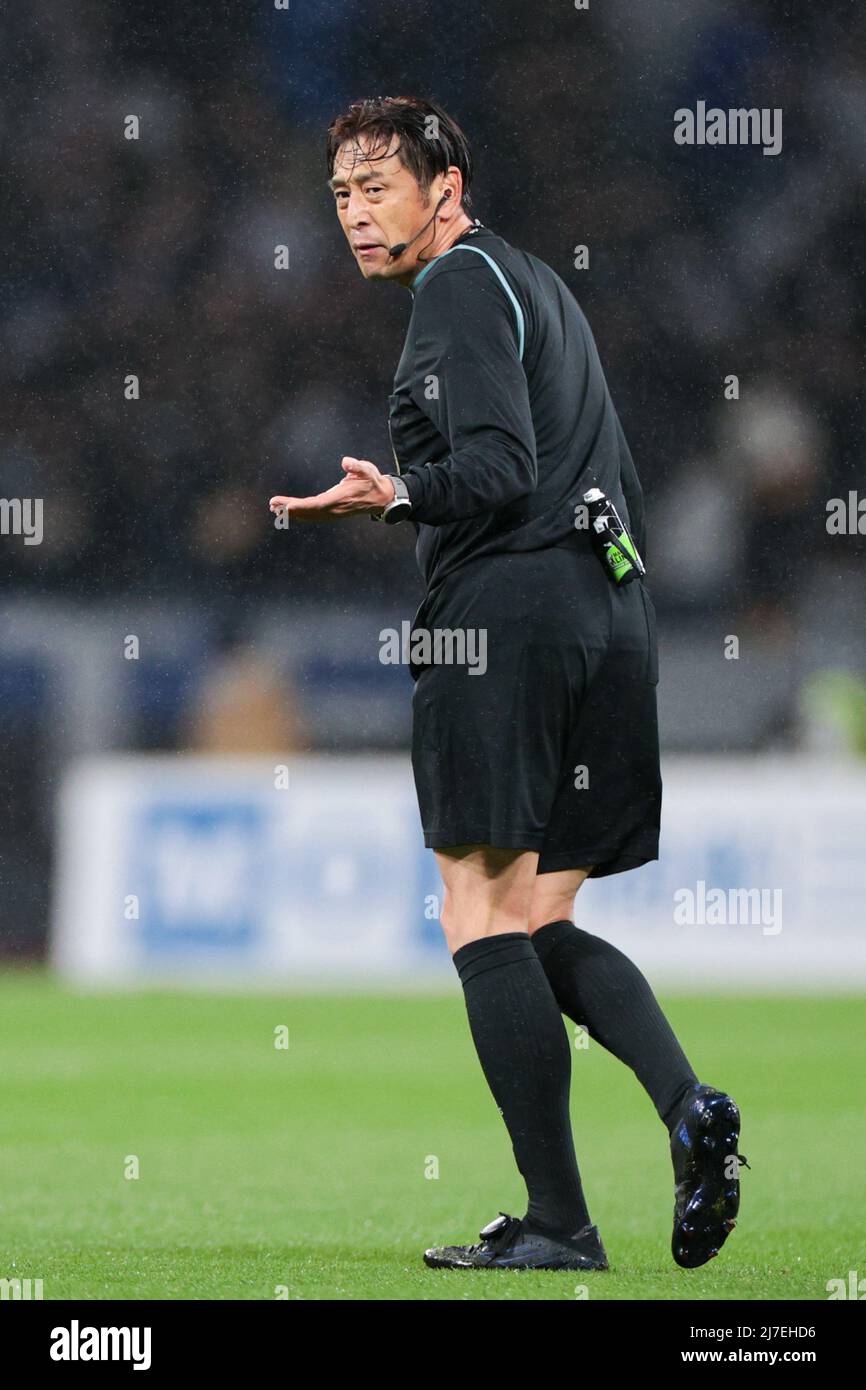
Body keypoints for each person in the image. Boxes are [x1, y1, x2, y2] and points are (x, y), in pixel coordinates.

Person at [269, 95, 746, 1272]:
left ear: (446, 188)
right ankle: (687, 1106)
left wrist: (395, 495)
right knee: (539, 919)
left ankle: (557, 1223)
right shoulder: (535, 286)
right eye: (339, 193)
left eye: (377, 186)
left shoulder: (456, 288)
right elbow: (582, 462)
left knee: (477, 913)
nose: (354, 213)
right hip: (608, 609)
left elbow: (494, 465)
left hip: (503, 619)